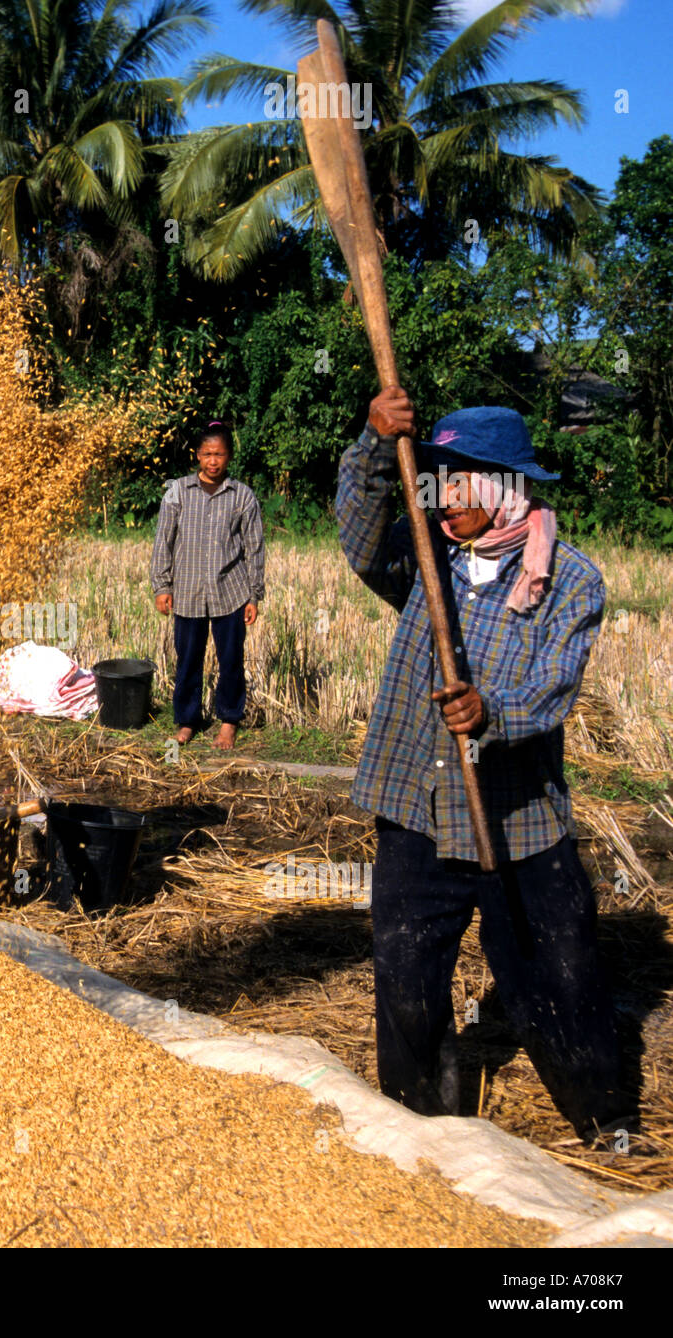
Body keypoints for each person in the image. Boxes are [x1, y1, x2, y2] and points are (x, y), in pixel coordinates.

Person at [337, 386, 630, 1147]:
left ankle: (607, 1124)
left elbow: (554, 687)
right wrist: (374, 444)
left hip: (516, 820)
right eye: (435, 478)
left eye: (461, 480)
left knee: (557, 979)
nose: (443, 497)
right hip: (416, 804)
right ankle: (423, 1129)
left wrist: (492, 713)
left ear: (505, 488)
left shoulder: (569, 580)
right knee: (406, 978)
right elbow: (360, 535)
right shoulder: (422, 557)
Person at [150, 421, 264, 749]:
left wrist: (254, 595)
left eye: (220, 455)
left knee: (230, 659)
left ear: (229, 457)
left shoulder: (242, 496)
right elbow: (164, 542)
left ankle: (229, 721)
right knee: (188, 659)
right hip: (186, 592)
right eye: (207, 454)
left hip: (231, 592)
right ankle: (187, 721)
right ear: (197, 455)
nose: (213, 461)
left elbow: (254, 547)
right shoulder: (178, 492)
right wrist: (162, 586)